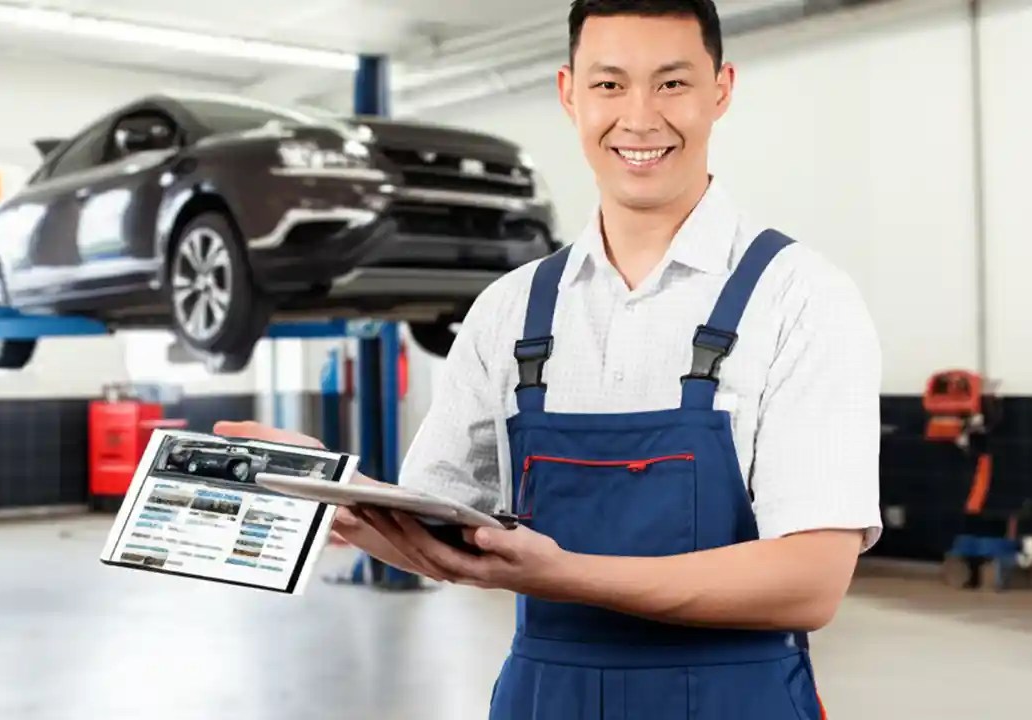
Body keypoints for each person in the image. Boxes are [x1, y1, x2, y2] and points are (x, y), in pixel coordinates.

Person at [218, 0, 882, 717]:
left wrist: (571, 576)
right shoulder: (509, 310)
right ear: (569, 93)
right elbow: (440, 537)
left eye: (671, 83)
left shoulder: (801, 297)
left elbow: (810, 582)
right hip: (544, 697)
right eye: (608, 84)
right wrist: (336, 494)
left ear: (720, 89)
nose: (639, 117)